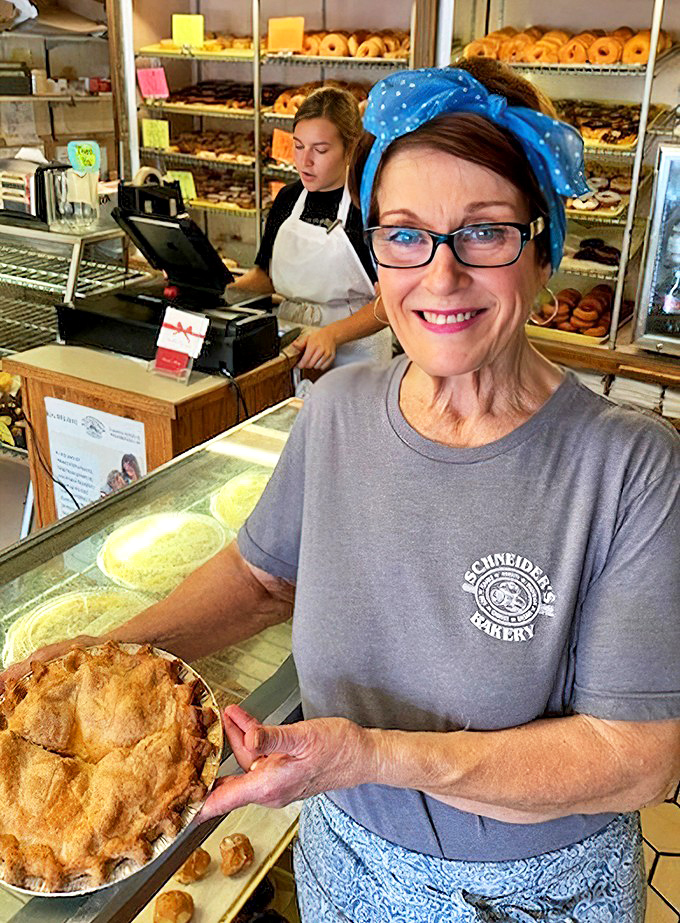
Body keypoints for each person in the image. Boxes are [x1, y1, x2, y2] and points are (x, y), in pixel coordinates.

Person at [3, 60, 679, 921]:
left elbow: (638, 758)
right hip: (343, 867)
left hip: (531, 895)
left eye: (484, 232)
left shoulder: (630, 468)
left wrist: (369, 756)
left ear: (542, 248)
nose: (439, 276)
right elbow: (261, 578)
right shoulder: (339, 411)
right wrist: (97, 657)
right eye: (404, 233)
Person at [229, 86, 392, 370]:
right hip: (291, 342)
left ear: (350, 148)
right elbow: (267, 276)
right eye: (298, 146)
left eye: (320, 150)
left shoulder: (366, 208)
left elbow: (389, 304)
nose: (305, 161)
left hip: (355, 355)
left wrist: (333, 334)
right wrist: (226, 288)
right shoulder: (288, 199)